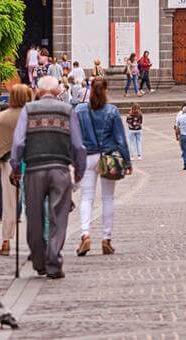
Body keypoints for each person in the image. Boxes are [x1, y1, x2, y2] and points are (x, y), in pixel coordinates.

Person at [10, 76, 88, 279]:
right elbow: (78, 145)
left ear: (38, 90)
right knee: (58, 217)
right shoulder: (67, 110)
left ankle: (38, 260)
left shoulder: (29, 109)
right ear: (57, 92)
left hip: (34, 169)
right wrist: (79, 169)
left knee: (34, 217)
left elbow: (18, 142)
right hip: (60, 169)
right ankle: (53, 259)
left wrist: (16, 166)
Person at [73, 77, 132, 256]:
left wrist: (74, 160)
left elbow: (75, 138)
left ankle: (85, 235)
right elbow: (120, 139)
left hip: (87, 157)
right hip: (107, 158)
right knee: (107, 199)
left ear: (90, 89)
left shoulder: (80, 110)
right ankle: (106, 238)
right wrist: (127, 161)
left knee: (86, 198)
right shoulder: (112, 111)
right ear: (106, 89)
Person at [0, 83, 34, 256]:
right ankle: (35, 243)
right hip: (30, 162)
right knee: (33, 203)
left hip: (8, 163)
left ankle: (6, 241)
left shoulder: (2, 117)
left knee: (9, 204)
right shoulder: (32, 115)